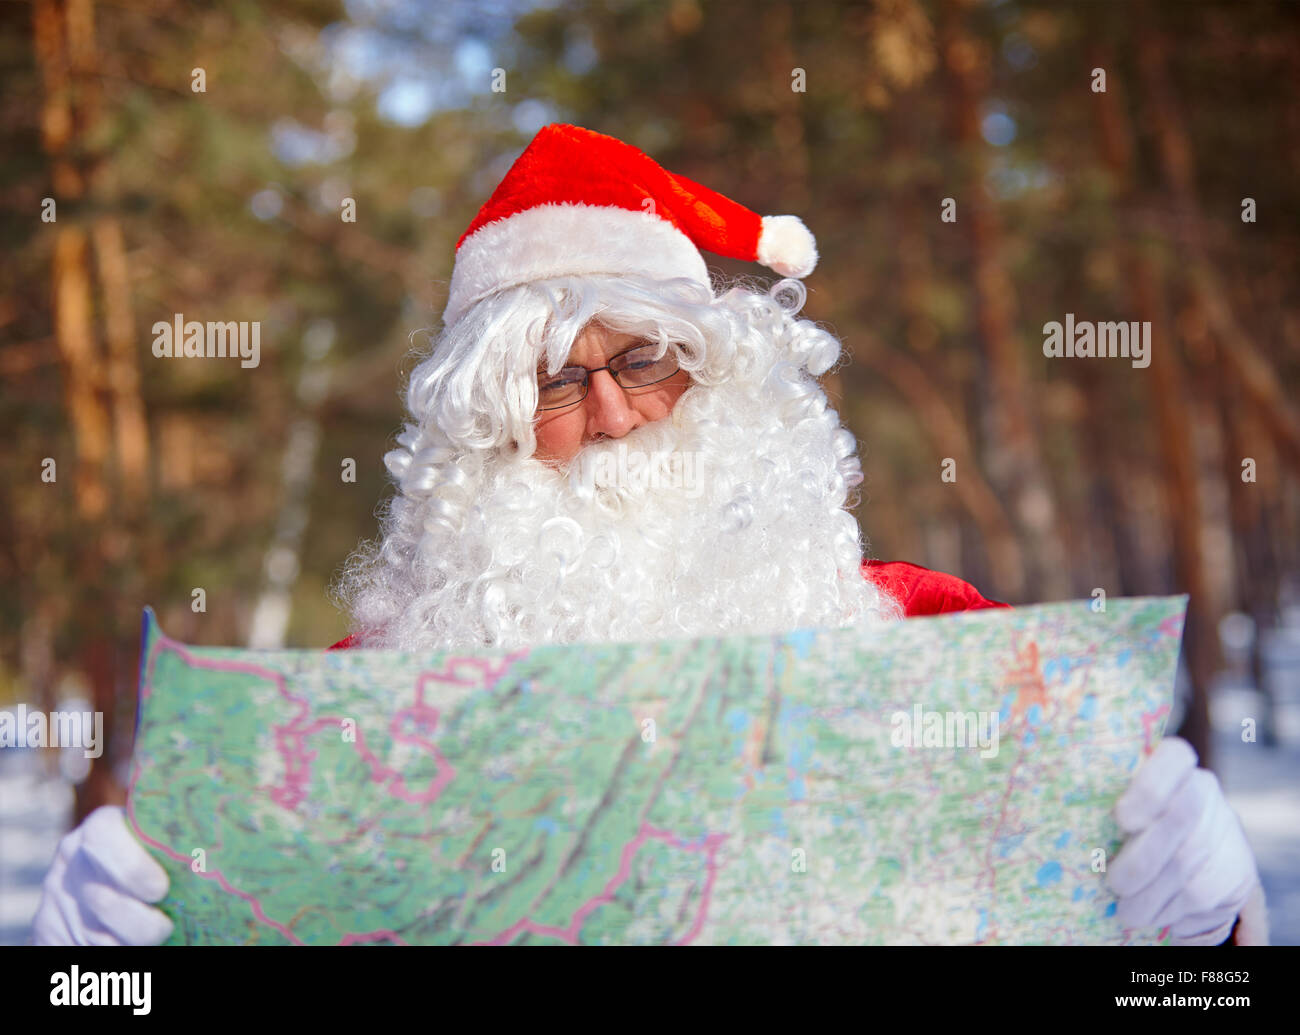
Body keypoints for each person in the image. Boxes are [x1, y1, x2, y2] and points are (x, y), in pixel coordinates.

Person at [33, 124, 1267, 946]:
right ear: (490, 433)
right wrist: (94, 976)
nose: (614, 413)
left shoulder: (939, 642)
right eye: (555, 385)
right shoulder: (346, 717)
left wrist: (1209, 935)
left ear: (723, 377)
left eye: (643, 360)